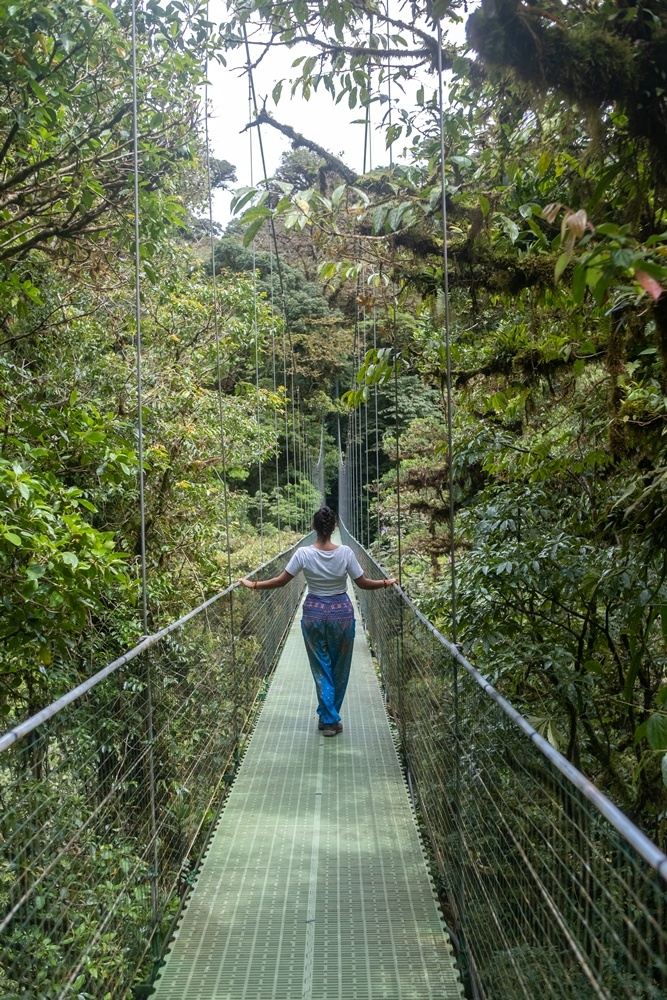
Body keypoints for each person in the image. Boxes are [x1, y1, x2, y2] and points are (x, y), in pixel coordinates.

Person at [240, 506, 396, 737]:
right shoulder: (345, 553)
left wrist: (253, 584)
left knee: (321, 668)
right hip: (341, 614)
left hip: (313, 614)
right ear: (334, 528)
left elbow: (281, 581)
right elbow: (362, 583)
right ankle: (330, 719)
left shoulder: (303, 554)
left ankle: (328, 718)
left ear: (313, 527)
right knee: (339, 669)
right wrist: (385, 582)